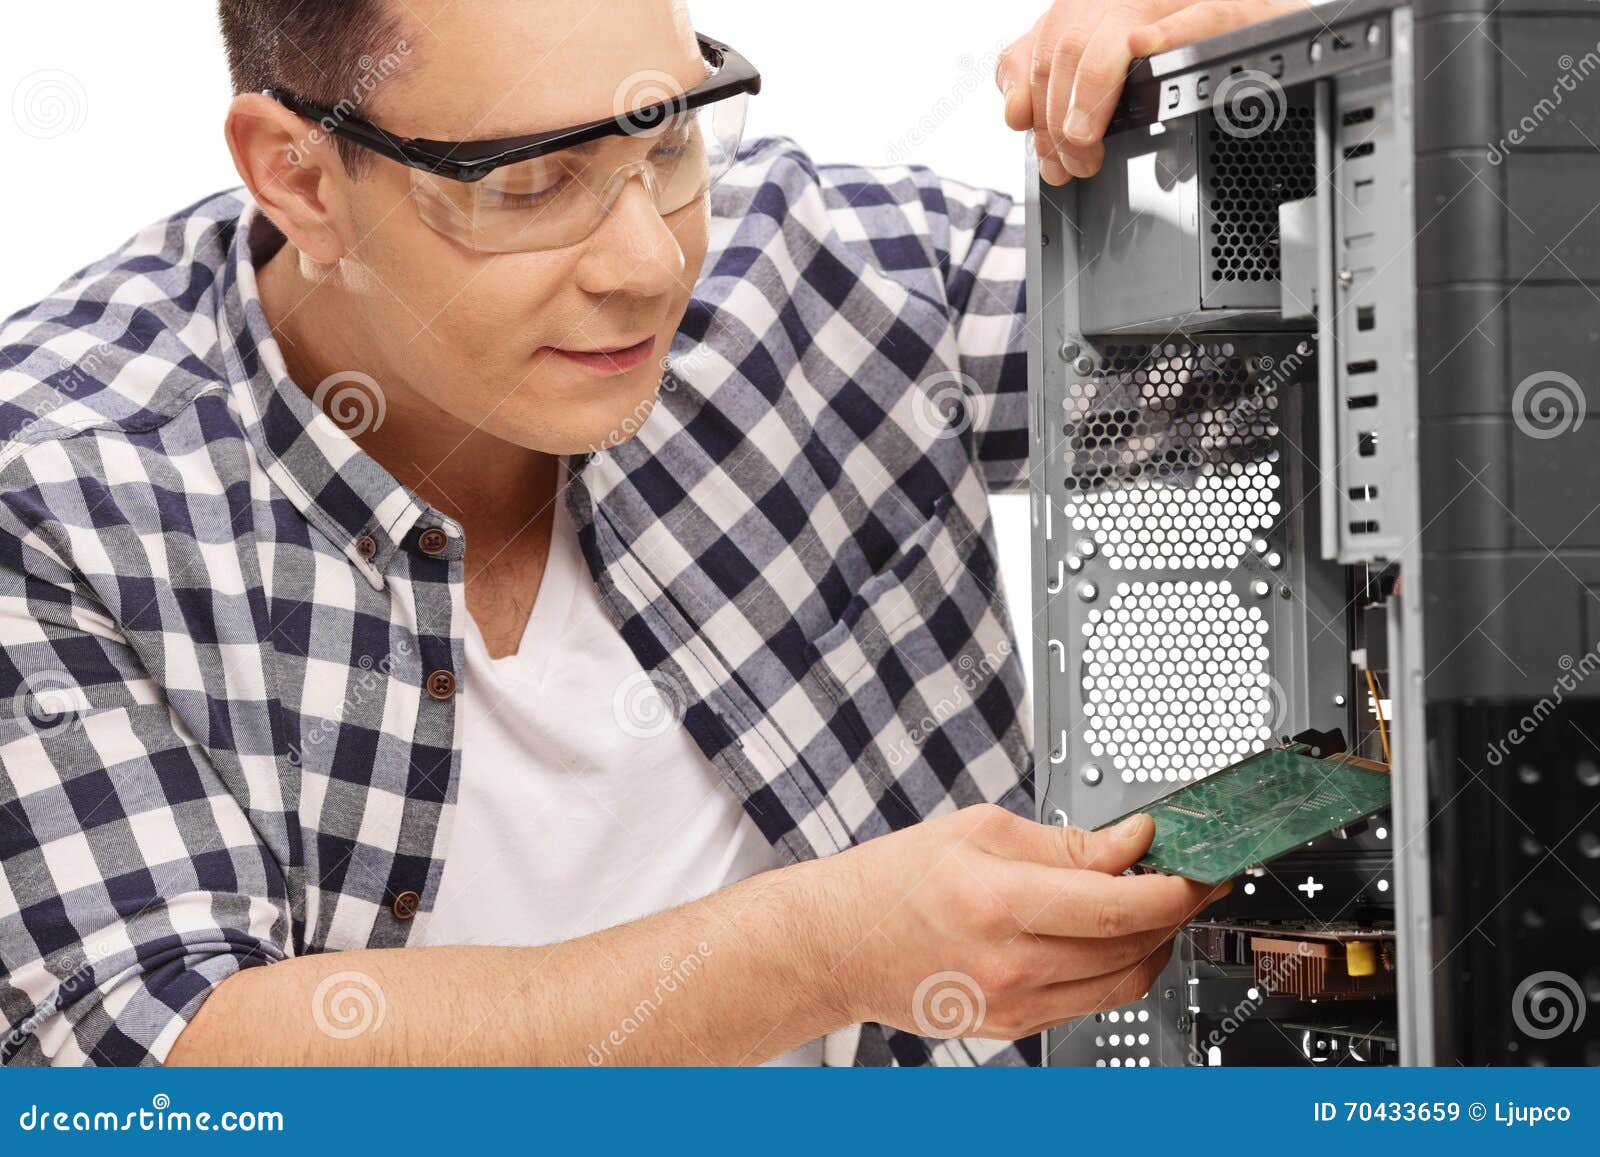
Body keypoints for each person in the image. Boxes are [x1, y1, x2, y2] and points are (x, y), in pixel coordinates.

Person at [0, 0, 1299, 1067]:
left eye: (668, 142)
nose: (648, 264)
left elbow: (1319, 376)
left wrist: (1288, 89)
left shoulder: (833, 273)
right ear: (299, 176)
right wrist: (823, 950)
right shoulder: (61, 487)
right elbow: (160, 1055)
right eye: (532, 182)